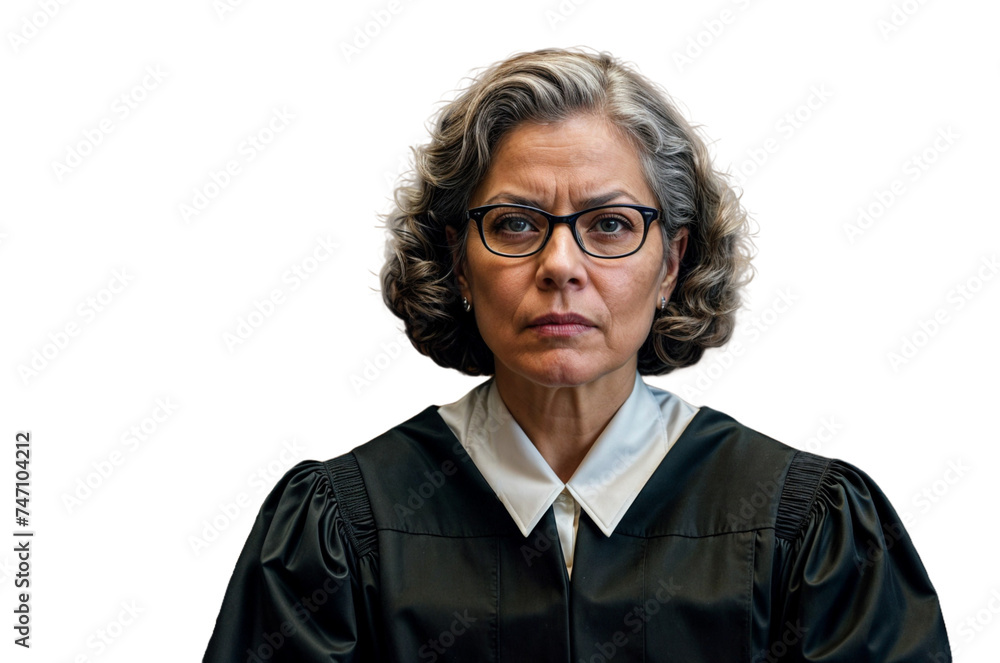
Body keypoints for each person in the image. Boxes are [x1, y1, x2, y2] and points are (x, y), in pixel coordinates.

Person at [203, 48, 951, 662]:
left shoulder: (810, 536)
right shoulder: (339, 535)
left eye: (611, 224)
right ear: (459, 264)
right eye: (517, 223)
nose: (561, 262)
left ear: (671, 264)